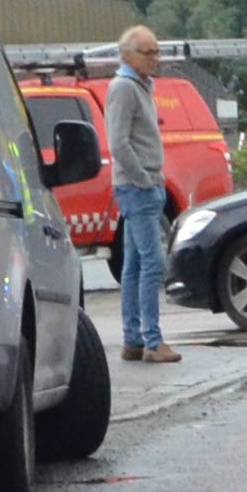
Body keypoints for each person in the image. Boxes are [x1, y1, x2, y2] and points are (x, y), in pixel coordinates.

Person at [102, 26, 175, 365]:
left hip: (145, 186)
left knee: (132, 265)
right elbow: (118, 143)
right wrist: (144, 180)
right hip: (137, 189)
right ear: (128, 55)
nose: (155, 59)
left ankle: (133, 340)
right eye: (149, 53)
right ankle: (152, 341)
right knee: (152, 263)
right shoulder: (123, 88)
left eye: (157, 52)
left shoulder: (142, 87)